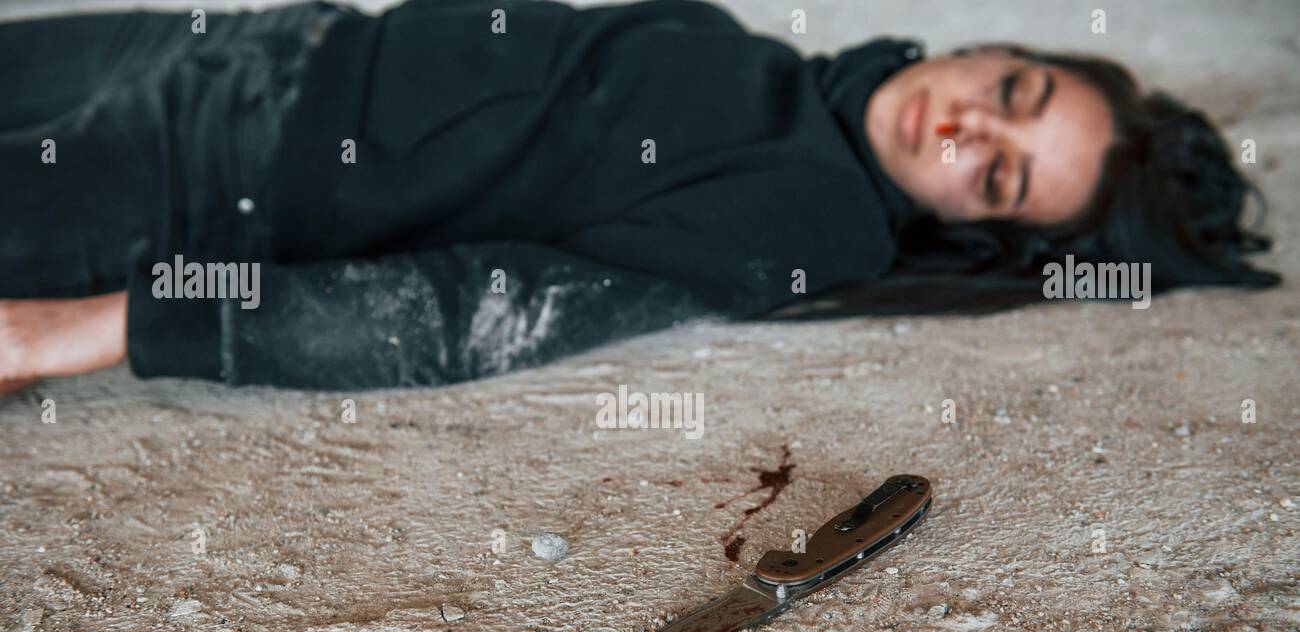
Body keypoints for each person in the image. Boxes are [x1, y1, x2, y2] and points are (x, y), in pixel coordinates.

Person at [0, 0, 1277, 393]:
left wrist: (94, 325)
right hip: (230, 54)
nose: (965, 119)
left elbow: (479, 311)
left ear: (971, 225)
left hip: (204, 190)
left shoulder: (811, 220)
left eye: (992, 170)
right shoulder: (793, 78)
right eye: (1013, 87)